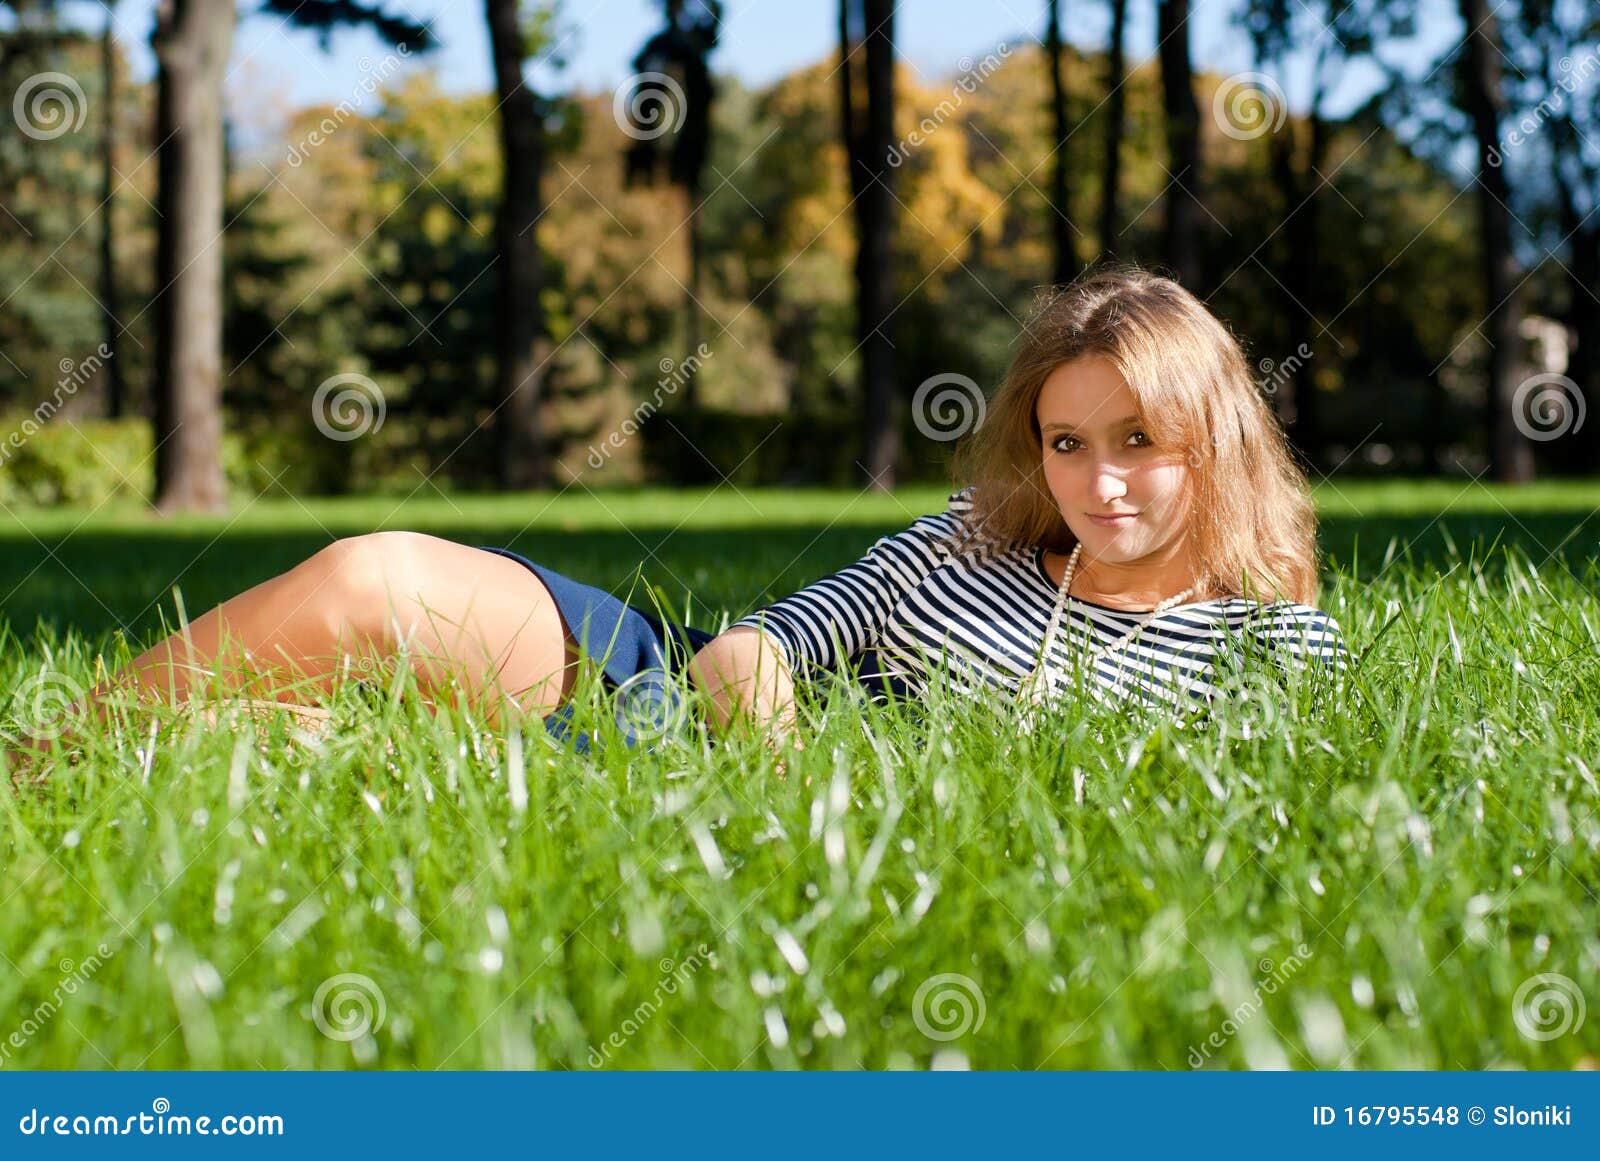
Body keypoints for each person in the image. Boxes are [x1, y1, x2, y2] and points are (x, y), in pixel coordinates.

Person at [12, 265, 1344, 781]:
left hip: (696, 787)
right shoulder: (971, 541)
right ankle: (36, 763)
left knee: (304, 754)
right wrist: (771, 759)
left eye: (1139, 442)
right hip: (672, 697)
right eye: (1067, 443)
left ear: (1213, 436)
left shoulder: (1270, 647)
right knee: (373, 576)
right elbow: (758, 647)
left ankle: (303, 746)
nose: (1100, 484)